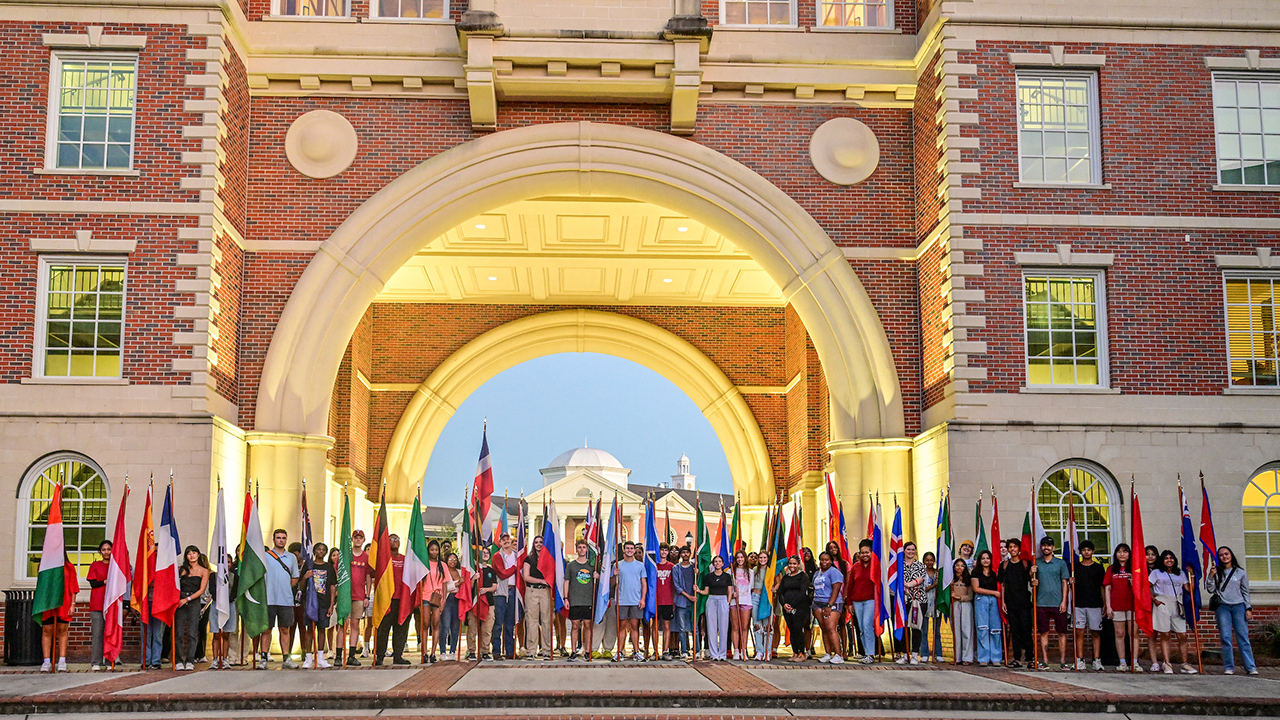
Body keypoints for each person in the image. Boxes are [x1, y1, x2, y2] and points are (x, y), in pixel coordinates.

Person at [1206, 545, 1257, 675]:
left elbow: (1245, 592)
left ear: (1231, 555)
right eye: (1221, 555)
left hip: (1238, 606)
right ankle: (1229, 667)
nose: (1224, 556)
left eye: (1226, 554)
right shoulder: (1217, 572)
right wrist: (1211, 576)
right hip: (1222, 607)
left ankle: (1250, 667)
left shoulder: (1241, 573)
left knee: (1242, 636)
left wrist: (1248, 608)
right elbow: (1210, 589)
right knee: (1226, 636)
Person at [1150, 550, 1197, 674]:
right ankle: (1167, 663)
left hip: (1177, 604)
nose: (1169, 560)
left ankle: (1185, 663)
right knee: (1165, 634)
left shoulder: (1180, 573)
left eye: (1171, 558)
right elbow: (1147, 586)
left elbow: (1189, 589)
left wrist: (1191, 575)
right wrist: (1154, 600)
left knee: (1182, 634)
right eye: (1166, 558)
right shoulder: (1156, 573)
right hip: (1162, 602)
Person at [262, 529, 300, 669]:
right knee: (266, 629)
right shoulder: (266, 556)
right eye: (278, 538)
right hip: (269, 598)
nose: (281, 540)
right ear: (273, 540)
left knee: (285, 629)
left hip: (285, 600)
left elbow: (295, 577)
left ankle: (286, 658)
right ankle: (264, 658)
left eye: (283, 538)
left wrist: (285, 587)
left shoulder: (291, 558)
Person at [1032, 536, 1070, 670]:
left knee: (1062, 632)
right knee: (1043, 632)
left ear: (1053, 547)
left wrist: (1064, 601)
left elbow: (1065, 583)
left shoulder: (1060, 563)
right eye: (1043, 545)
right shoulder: (1036, 564)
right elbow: (1033, 583)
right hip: (1041, 603)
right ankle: (1045, 661)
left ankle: (1063, 660)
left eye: (1048, 545)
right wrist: (1032, 578)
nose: (1046, 547)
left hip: (1058, 602)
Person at [374, 534, 412, 666]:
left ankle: (398, 655)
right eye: (391, 539)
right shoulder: (384, 559)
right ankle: (380, 656)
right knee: (384, 629)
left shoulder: (405, 560)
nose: (395, 541)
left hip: (402, 600)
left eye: (397, 539)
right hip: (386, 599)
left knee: (401, 628)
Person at [998, 538, 1033, 668]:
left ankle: (1029, 657)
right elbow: (1003, 584)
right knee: (1014, 631)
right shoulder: (1004, 565)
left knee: (1026, 630)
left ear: (1019, 549)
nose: (1013, 549)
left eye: (1015, 547)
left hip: (1024, 603)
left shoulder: (1026, 564)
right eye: (1010, 547)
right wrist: (1003, 602)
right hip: (1011, 603)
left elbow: (1031, 581)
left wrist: (1032, 574)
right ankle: (1017, 658)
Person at [1072, 539, 1106, 671]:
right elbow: (1072, 587)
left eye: (1089, 550)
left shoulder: (1098, 568)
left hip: (1095, 604)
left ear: (1093, 552)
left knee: (1095, 633)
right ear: (1080, 552)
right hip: (1079, 604)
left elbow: (1102, 587)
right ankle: (1079, 659)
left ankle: (1096, 660)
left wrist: (1104, 604)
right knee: (1079, 632)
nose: (1086, 552)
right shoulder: (1077, 567)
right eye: (1084, 550)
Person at [175, 545, 210, 671]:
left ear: (198, 555)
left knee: (192, 633)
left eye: (194, 553)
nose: (191, 555)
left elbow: (201, 590)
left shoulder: (204, 571)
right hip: (180, 601)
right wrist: (180, 599)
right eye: (189, 553)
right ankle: (178, 660)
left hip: (193, 601)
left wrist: (187, 599)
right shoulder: (182, 570)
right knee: (178, 632)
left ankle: (190, 660)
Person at [301, 542, 335, 668]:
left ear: (326, 552)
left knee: (322, 629)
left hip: (324, 602)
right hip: (310, 602)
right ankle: (308, 657)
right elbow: (301, 585)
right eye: (318, 549)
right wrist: (305, 576)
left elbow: (332, 586)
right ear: (314, 551)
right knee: (310, 629)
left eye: (323, 549)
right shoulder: (309, 565)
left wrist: (331, 604)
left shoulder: (329, 567)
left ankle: (320, 657)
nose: (321, 551)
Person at [1103, 542, 1135, 672]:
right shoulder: (1111, 569)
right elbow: (1107, 588)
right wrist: (1108, 606)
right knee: (1119, 633)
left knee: (1133, 633)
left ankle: (1134, 661)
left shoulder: (1134, 568)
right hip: (1117, 605)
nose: (1122, 554)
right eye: (1119, 551)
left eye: (1125, 551)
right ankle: (1122, 662)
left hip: (1132, 606)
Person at [773, 555, 811, 662]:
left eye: (794, 564)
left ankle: (802, 653)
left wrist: (793, 605)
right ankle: (795, 652)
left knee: (798, 629)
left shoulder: (803, 577)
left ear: (798, 565)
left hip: (800, 608)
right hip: (787, 608)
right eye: (790, 564)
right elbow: (781, 592)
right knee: (792, 630)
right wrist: (784, 604)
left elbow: (803, 592)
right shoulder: (786, 577)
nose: (792, 566)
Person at [522, 534, 554, 660]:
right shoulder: (529, 559)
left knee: (547, 621)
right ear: (533, 544)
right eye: (536, 542)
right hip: (532, 592)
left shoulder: (549, 559)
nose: (539, 544)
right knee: (532, 621)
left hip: (545, 592)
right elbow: (526, 576)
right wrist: (540, 581)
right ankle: (531, 650)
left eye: (541, 542)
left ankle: (547, 650)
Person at [564, 539, 596, 661]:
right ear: (576, 549)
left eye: (584, 547)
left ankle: (587, 650)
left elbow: (598, 581)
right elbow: (567, 581)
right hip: (575, 600)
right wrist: (566, 598)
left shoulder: (592, 565)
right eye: (579, 547)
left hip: (588, 600)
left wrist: (597, 576)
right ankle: (573, 651)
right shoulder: (571, 565)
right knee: (575, 625)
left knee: (588, 625)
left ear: (587, 549)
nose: (582, 549)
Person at [812, 551, 845, 664]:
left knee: (831, 628)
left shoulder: (834, 572)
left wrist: (829, 605)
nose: (824, 562)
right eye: (822, 559)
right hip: (818, 602)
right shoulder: (818, 573)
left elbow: (836, 590)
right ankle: (828, 653)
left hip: (831, 603)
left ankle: (838, 655)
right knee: (824, 628)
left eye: (826, 560)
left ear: (831, 561)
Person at [616, 541, 647, 661]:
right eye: (627, 548)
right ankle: (620, 651)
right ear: (624, 550)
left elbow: (643, 583)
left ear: (634, 550)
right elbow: (612, 583)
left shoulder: (640, 565)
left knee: (635, 626)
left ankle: (636, 652)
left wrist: (643, 599)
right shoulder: (618, 565)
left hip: (635, 600)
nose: (629, 550)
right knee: (622, 626)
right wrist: (614, 575)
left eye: (631, 548)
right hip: (622, 600)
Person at [698, 554, 733, 661]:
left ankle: (722, 654)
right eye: (716, 562)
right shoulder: (709, 576)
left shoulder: (727, 576)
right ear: (713, 564)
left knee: (723, 627)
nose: (718, 563)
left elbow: (730, 591)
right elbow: (706, 591)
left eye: (719, 562)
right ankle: (714, 654)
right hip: (712, 600)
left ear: (722, 564)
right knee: (711, 627)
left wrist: (727, 602)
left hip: (723, 600)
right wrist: (698, 590)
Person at [971, 549, 1002, 667]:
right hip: (981, 600)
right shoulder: (976, 572)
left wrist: (995, 595)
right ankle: (983, 658)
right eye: (983, 558)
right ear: (980, 560)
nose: (985, 560)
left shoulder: (995, 573)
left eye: (988, 558)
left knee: (995, 630)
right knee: (982, 629)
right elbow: (976, 588)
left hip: (994, 602)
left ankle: (996, 658)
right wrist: (993, 592)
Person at [849, 539, 877, 664]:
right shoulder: (855, 567)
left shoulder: (876, 566)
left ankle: (871, 654)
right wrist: (849, 603)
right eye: (862, 552)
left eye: (867, 552)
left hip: (870, 600)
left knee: (867, 626)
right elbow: (850, 586)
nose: (864, 555)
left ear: (872, 552)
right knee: (861, 628)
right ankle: (865, 653)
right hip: (857, 601)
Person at [467, 546, 498, 661]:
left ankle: (485, 651)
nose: (485, 554)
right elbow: (468, 587)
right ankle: (471, 651)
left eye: (487, 553)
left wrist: (486, 589)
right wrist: (474, 579)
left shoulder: (491, 570)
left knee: (487, 629)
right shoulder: (473, 569)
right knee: (472, 628)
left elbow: (495, 586)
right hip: (475, 602)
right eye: (483, 552)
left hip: (489, 602)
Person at [491, 533, 519, 659]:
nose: (506, 541)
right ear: (500, 543)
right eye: (503, 540)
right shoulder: (497, 556)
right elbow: (502, 574)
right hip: (501, 592)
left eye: (508, 539)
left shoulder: (517, 555)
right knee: (498, 623)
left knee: (510, 623)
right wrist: (515, 568)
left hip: (513, 591)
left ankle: (510, 651)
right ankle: (496, 650)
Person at [898, 542, 926, 665]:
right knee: (904, 627)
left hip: (918, 600)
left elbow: (920, 579)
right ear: (904, 550)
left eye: (913, 549)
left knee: (916, 627)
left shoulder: (920, 565)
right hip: (903, 600)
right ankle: (905, 654)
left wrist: (908, 585)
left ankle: (915, 654)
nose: (910, 551)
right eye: (908, 549)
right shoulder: (898, 564)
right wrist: (904, 587)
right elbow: (896, 578)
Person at [345, 529, 369, 666]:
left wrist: (367, 595)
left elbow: (368, 576)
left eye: (360, 538)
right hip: (345, 595)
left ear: (363, 540)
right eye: (356, 537)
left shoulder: (366, 557)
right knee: (343, 625)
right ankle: (338, 653)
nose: (358, 540)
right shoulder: (347, 555)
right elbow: (338, 571)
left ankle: (352, 654)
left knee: (355, 625)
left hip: (359, 595)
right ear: (352, 540)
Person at [210, 552, 238, 670]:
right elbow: (212, 590)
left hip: (229, 605)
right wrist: (220, 598)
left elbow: (234, 592)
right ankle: (215, 658)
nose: (226, 564)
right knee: (216, 633)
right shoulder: (213, 576)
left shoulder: (234, 576)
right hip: (216, 605)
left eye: (228, 562)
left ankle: (225, 658)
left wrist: (227, 599)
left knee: (226, 634)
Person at [86, 540, 111, 671]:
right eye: (104, 550)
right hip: (97, 604)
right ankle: (96, 661)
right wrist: (106, 581)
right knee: (97, 633)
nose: (106, 552)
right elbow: (93, 583)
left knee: (110, 633)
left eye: (108, 549)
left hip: (111, 605)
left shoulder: (115, 566)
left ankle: (109, 661)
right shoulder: (95, 565)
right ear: (100, 551)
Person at [422, 540, 445, 663]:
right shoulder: (424, 564)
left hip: (437, 597)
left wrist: (443, 600)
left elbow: (445, 584)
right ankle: (424, 652)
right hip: (425, 596)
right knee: (425, 624)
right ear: (428, 550)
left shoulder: (442, 565)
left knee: (436, 624)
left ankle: (433, 653)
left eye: (436, 549)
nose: (434, 552)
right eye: (432, 549)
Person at [672, 544, 696, 660]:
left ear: (690, 554)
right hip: (681, 602)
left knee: (694, 628)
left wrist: (698, 573)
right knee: (682, 628)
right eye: (683, 553)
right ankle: (684, 651)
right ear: (680, 555)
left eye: (687, 552)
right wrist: (688, 596)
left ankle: (696, 650)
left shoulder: (694, 568)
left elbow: (700, 582)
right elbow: (677, 586)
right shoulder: (676, 568)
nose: (685, 554)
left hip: (694, 602)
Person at [919, 551, 943, 662]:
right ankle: (924, 653)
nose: (929, 562)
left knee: (936, 631)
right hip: (924, 603)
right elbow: (922, 589)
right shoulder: (921, 572)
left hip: (936, 604)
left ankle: (938, 653)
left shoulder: (938, 572)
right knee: (924, 630)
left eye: (931, 560)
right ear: (924, 561)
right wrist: (933, 585)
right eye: (927, 560)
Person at [951, 558, 975, 664]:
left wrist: (958, 597)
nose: (959, 568)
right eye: (957, 565)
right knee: (956, 631)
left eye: (962, 565)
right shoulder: (951, 580)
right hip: (954, 605)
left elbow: (970, 595)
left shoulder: (968, 580)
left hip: (966, 605)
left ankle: (967, 657)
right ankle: (957, 657)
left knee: (966, 630)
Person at [729, 551, 753, 661]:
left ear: (745, 558)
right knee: (735, 627)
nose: (740, 559)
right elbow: (728, 588)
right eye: (738, 557)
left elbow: (751, 587)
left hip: (746, 601)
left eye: (742, 557)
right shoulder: (731, 571)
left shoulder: (750, 572)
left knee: (744, 627)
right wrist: (731, 595)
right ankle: (736, 651)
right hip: (734, 602)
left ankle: (743, 650)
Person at [440, 552, 462, 661]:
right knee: (445, 625)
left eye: (455, 559)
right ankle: (443, 651)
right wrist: (456, 584)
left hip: (458, 599)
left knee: (455, 627)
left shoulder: (460, 572)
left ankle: (453, 651)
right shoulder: (443, 571)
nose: (452, 561)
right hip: (447, 599)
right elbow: (444, 587)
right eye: (450, 559)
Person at [656, 546, 676, 660]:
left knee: (666, 626)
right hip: (656, 601)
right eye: (661, 550)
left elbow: (675, 584)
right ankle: (655, 650)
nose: (663, 552)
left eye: (665, 550)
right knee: (654, 626)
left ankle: (665, 650)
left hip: (668, 600)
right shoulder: (654, 565)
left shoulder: (671, 567)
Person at [750, 551, 769, 660]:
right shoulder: (754, 570)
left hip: (766, 599)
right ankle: (759, 651)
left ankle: (767, 650)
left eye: (764, 557)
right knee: (757, 625)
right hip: (755, 597)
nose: (762, 559)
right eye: (760, 557)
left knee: (767, 626)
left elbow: (777, 582)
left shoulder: (770, 571)